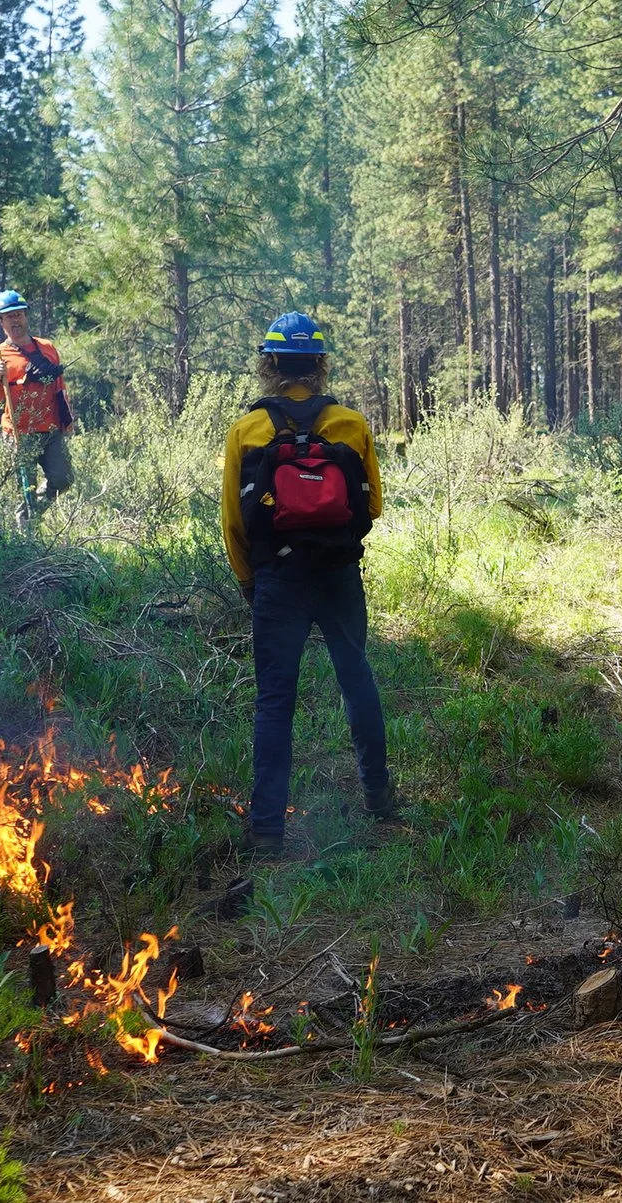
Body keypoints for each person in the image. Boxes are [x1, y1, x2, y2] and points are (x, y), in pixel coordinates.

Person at [220, 312, 398, 859]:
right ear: (320, 364)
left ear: (269, 364)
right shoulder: (350, 423)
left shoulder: (247, 430)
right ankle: (379, 799)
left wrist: (251, 581)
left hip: (279, 578)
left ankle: (268, 829)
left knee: (276, 702)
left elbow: (234, 521)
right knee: (356, 678)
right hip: (338, 574)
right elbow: (371, 505)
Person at [0, 290, 75, 530]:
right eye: (9, 317)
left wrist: (67, 419)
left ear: (26, 316)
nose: (15, 321)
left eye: (19, 315)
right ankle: (26, 536)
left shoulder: (47, 348)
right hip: (20, 433)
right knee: (26, 488)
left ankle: (31, 515)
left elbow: (59, 386)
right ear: (0, 322)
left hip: (51, 429)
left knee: (64, 479)